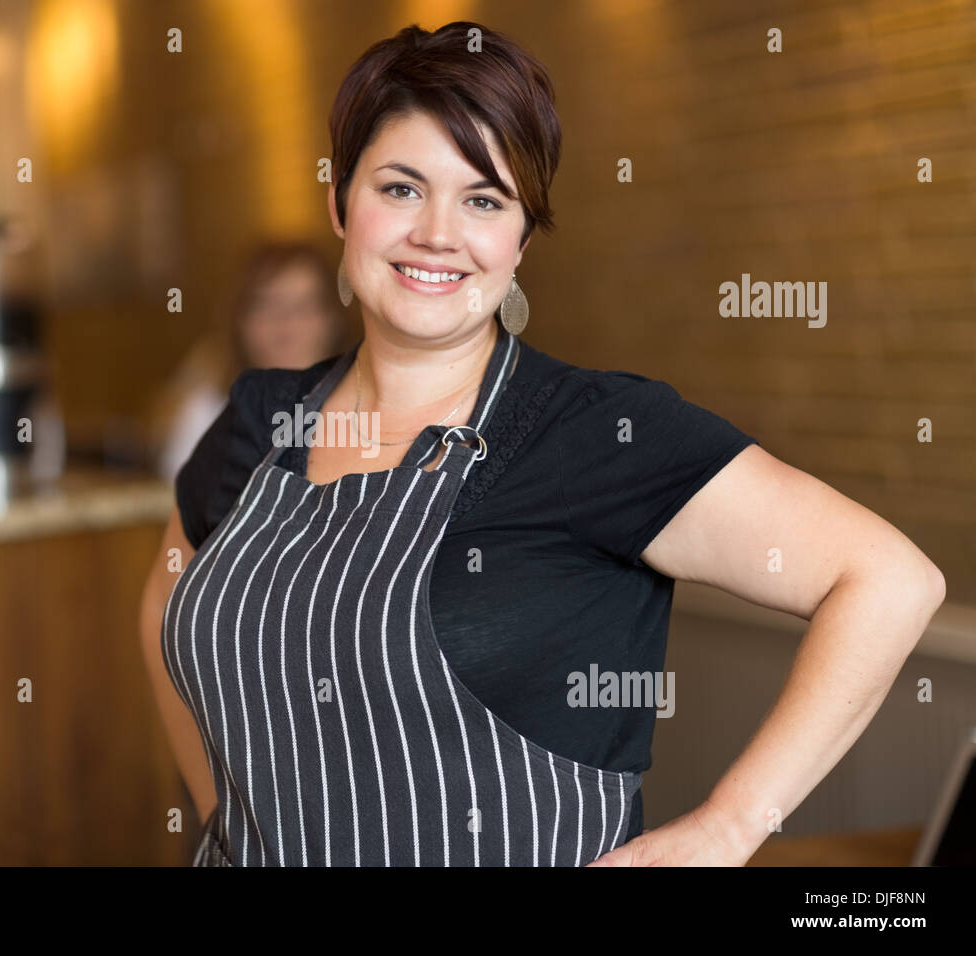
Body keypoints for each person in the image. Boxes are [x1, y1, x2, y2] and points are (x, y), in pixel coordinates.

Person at [138, 21, 946, 867]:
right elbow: (164, 600)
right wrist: (226, 820)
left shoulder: (595, 432)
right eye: (401, 188)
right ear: (340, 206)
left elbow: (888, 580)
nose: (437, 233)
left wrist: (728, 827)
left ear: (520, 243)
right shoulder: (263, 418)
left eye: (484, 200)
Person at [151, 241, 345, 482]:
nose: (286, 327)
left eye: (303, 307)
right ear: (240, 322)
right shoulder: (205, 415)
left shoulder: (363, 414)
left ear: (332, 321)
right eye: (268, 306)